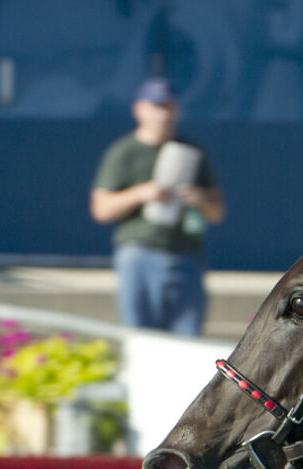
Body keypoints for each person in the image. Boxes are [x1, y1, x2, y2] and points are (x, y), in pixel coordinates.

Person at [90, 77, 226, 336]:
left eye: (169, 107)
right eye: (157, 107)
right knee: (139, 338)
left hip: (186, 256)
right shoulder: (124, 152)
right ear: (139, 110)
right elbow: (101, 210)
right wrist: (142, 194)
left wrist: (198, 199)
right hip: (139, 254)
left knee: (187, 340)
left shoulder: (192, 151)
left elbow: (217, 213)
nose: (164, 114)